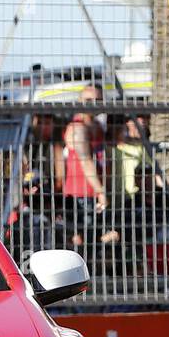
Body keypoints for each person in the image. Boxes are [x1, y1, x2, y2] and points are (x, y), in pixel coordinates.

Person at [62, 86, 108, 246]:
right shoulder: (78, 127)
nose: (93, 103)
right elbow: (85, 160)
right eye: (88, 100)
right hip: (80, 195)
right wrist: (100, 191)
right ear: (80, 101)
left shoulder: (97, 126)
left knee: (96, 239)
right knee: (84, 241)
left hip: (95, 192)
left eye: (98, 100)